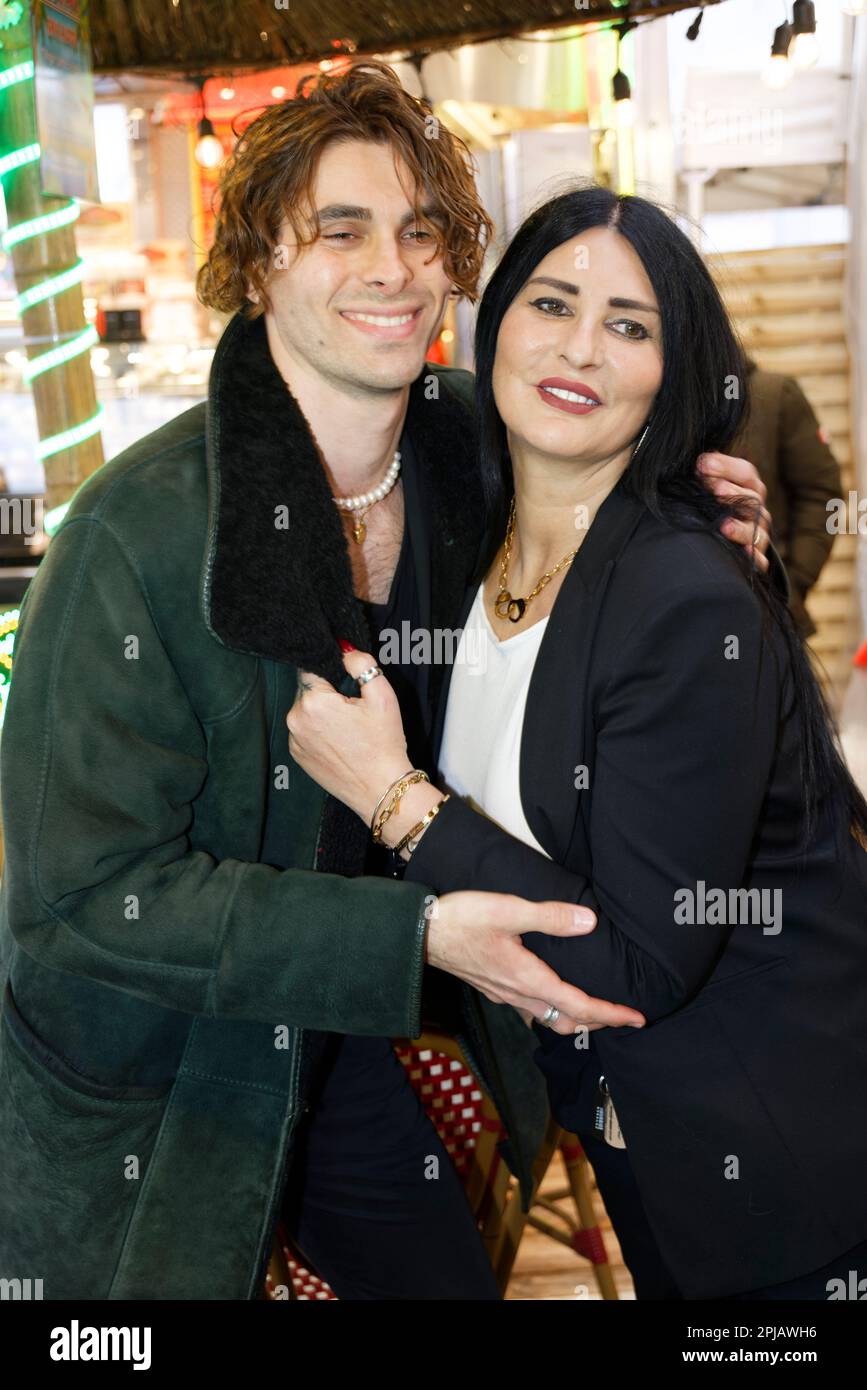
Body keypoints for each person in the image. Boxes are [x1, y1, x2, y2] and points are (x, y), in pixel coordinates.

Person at [0, 65, 771, 1302]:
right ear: (259, 268)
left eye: (421, 232)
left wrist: (692, 501)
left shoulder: (465, 448)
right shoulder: (130, 537)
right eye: (340, 228)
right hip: (171, 1066)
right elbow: (79, 899)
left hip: (354, 1030)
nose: (394, 268)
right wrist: (414, 929)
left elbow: (594, 466)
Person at [288, 183, 867, 1302]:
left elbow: (638, 962)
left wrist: (400, 799)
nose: (582, 348)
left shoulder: (682, 595)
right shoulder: (473, 556)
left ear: (671, 374)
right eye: (552, 303)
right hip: (648, 1151)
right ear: (495, 320)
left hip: (793, 1182)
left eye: (631, 325)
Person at [732, 357, 842, 637]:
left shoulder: (773, 396)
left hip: (771, 623)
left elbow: (822, 496)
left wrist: (791, 585)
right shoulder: (652, 402)